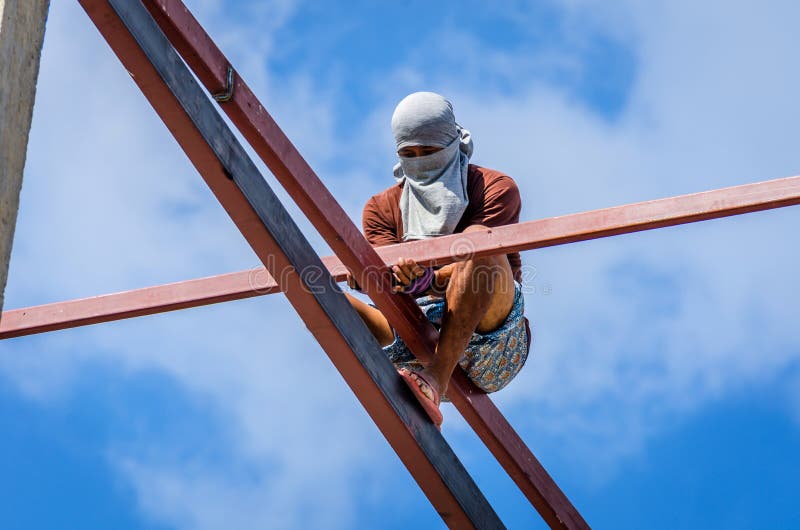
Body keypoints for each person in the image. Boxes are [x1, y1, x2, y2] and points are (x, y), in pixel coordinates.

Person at [345, 91, 530, 427]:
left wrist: (426, 279)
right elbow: (387, 281)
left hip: (491, 342)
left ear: (452, 144)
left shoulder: (494, 188)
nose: (420, 161)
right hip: (413, 335)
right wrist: (374, 277)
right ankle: (398, 377)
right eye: (409, 154)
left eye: (429, 152)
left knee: (481, 247)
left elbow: (474, 255)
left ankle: (438, 377)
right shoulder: (380, 209)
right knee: (308, 281)